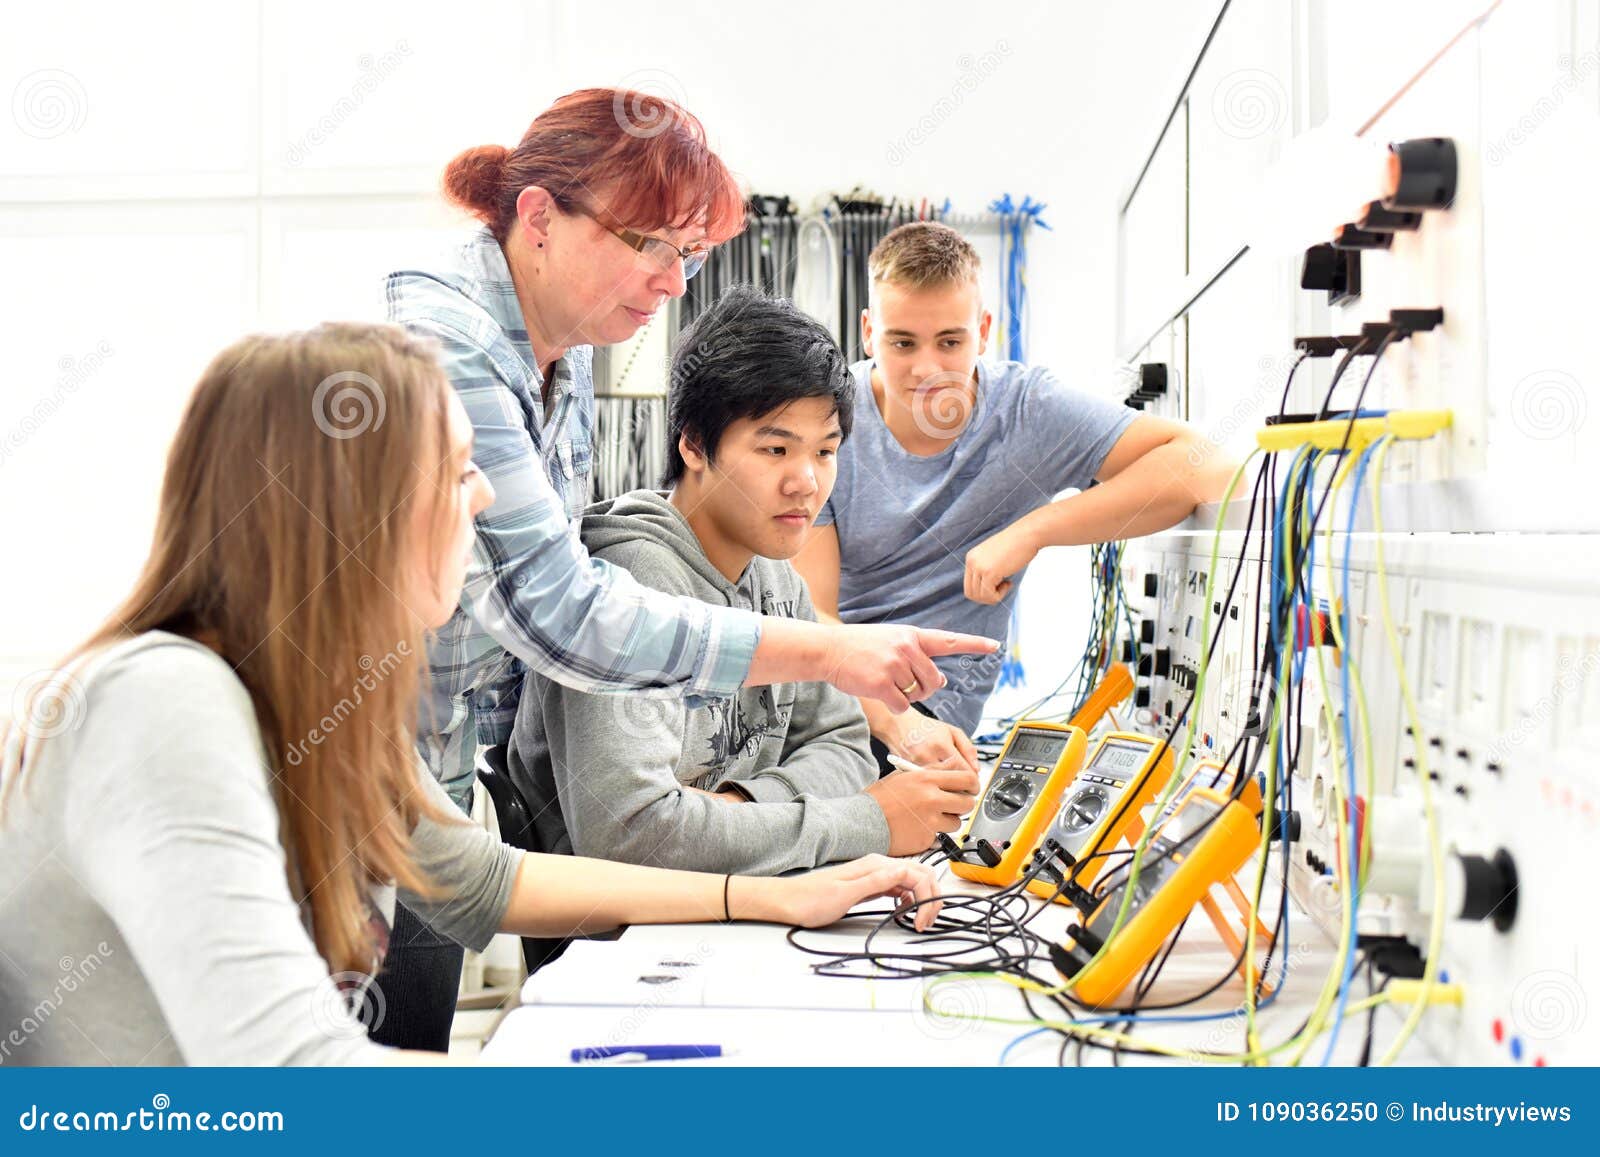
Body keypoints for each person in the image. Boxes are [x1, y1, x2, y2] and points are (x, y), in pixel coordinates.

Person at [0, 324, 942, 1066]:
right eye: (455, 469)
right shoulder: (168, 701)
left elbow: (489, 881)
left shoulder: (320, 706)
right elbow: (289, 1071)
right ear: (351, 503)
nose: (486, 497)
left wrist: (766, 897)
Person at [381, 91, 992, 1047]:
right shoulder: (447, 340)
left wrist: (770, 802)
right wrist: (844, 727)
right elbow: (561, 612)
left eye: (689, 254)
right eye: (650, 246)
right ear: (538, 219)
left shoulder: (571, 346)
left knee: (393, 1076)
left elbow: (553, 578)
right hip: (354, 786)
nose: (672, 282)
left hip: (433, 796)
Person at [508, 288, 980, 877]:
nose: (806, 482)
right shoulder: (628, 585)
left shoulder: (776, 573)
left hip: (754, 904)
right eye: (776, 448)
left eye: (826, 452)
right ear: (693, 444)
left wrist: (735, 809)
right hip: (629, 945)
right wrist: (867, 821)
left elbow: (847, 746)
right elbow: (632, 838)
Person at [794, 222, 1234, 773]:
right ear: (867, 331)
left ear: (983, 330)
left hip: (933, 717)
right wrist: (894, 722)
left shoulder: (1027, 411)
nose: (927, 368)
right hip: (839, 694)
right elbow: (812, 617)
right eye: (902, 342)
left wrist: (1034, 530)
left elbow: (1206, 464)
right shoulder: (829, 422)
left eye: (950, 342)